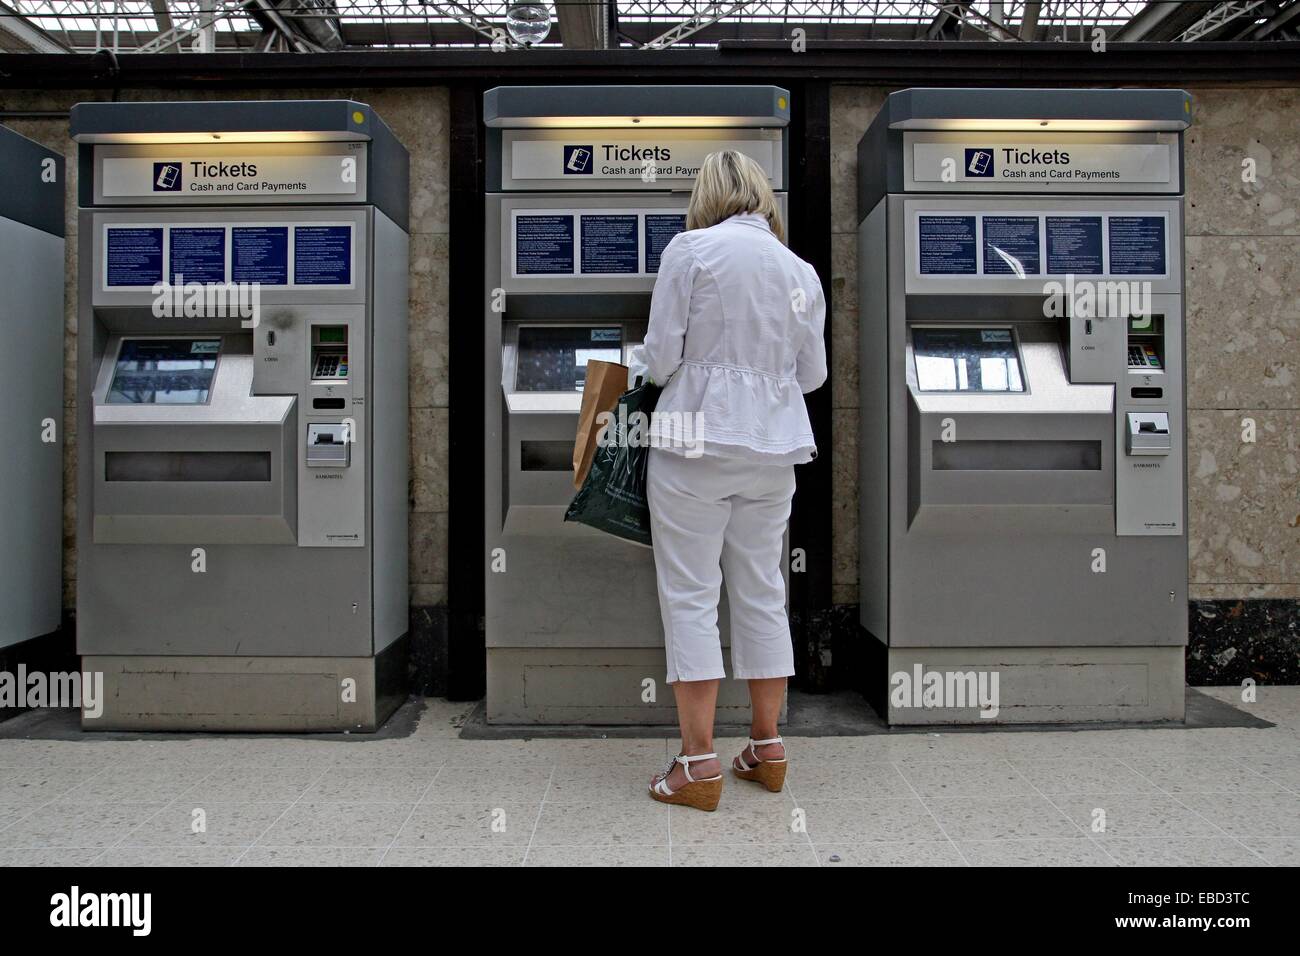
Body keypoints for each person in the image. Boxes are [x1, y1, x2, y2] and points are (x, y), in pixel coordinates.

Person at [640, 150, 827, 812]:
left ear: (708, 195)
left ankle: (697, 764)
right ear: (762, 197)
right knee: (762, 593)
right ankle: (766, 747)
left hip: (694, 439)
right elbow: (812, 376)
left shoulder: (690, 251)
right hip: (774, 447)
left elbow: (661, 359)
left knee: (691, 595)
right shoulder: (799, 268)